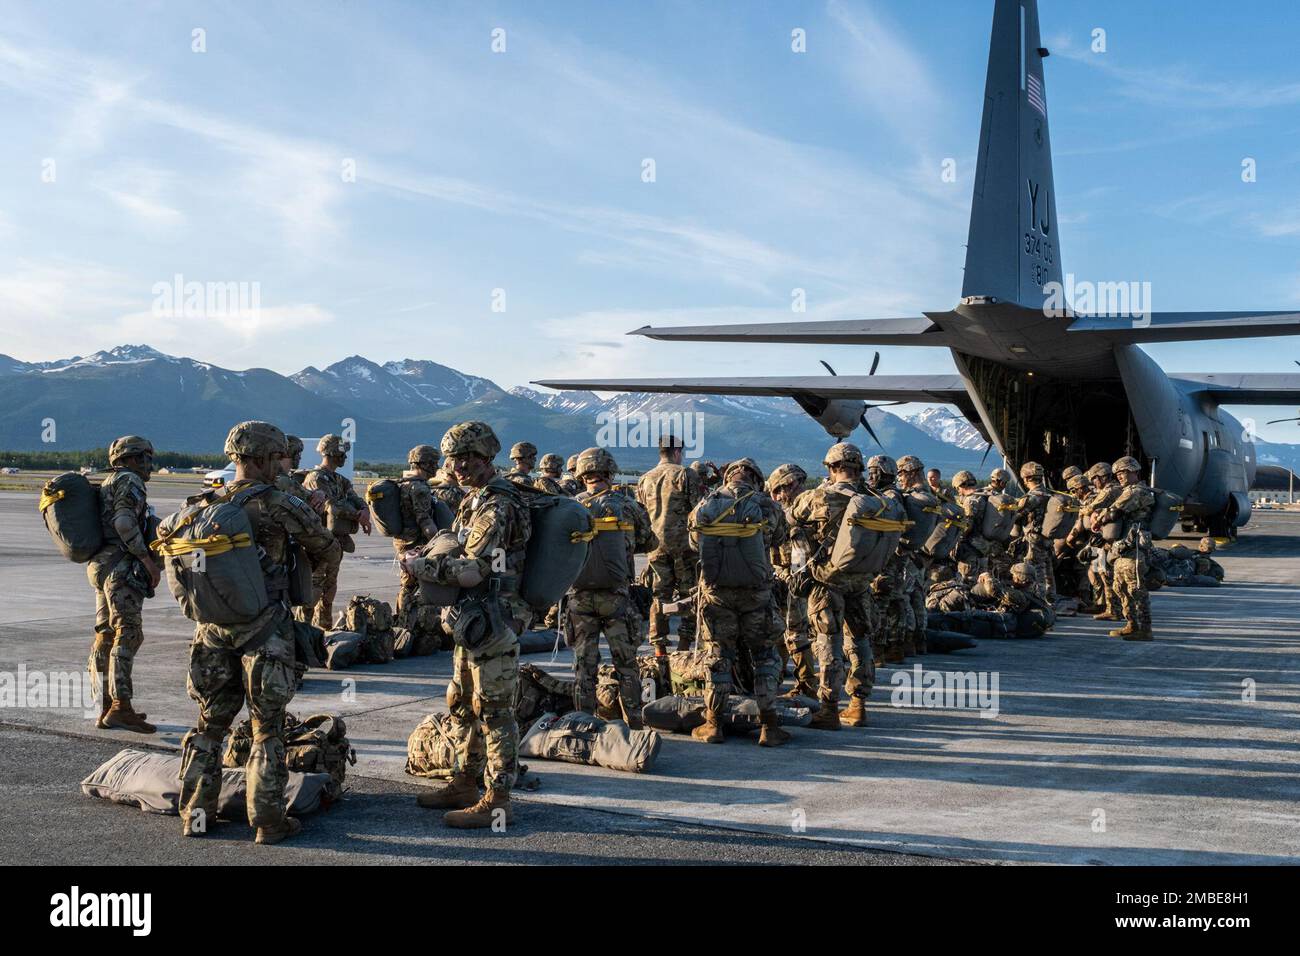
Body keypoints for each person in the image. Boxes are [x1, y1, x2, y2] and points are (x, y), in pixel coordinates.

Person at [178, 421, 340, 844]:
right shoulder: (277, 503)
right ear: (266, 458)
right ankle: (268, 821)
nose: (282, 464)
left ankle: (195, 813)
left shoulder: (202, 502)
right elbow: (327, 545)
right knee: (267, 726)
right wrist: (313, 584)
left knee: (209, 723)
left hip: (211, 629)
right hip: (265, 628)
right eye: (278, 457)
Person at [404, 422, 531, 827]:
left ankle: (498, 799)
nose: (455, 466)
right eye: (452, 458)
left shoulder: (498, 504)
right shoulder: (474, 499)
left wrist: (420, 566)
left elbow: (475, 569)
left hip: (496, 617)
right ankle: (464, 780)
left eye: (464, 457)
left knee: (494, 711)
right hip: (473, 618)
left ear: (485, 458)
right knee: (461, 702)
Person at [688, 458, 789, 745]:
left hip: (717, 593)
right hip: (757, 594)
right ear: (757, 479)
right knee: (765, 656)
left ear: (728, 477)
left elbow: (695, 543)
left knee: (719, 657)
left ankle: (713, 725)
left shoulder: (706, 503)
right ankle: (769, 727)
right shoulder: (768, 505)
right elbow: (780, 537)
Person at [567, 447, 656, 727]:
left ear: (582, 475)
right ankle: (634, 724)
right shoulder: (627, 505)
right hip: (616, 596)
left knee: (584, 667)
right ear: (609, 472)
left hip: (579, 597)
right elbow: (649, 542)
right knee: (626, 665)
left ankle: (584, 724)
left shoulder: (571, 507)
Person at [790, 442, 876, 729]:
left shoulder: (819, 496)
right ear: (859, 468)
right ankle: (859, 704)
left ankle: (828, 708)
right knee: (860, 640)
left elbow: (789, 517)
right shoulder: (875, 499)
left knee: (829, 641)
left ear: (831, 467)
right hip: (862, 581)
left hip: (827, 580)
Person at [86, 435, 160, 734]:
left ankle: (104, 704)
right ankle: (120, 707)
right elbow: (124, 523)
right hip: (121, 567)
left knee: (105, 634)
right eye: (144, 457)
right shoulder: (129, 481)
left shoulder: (109, 482)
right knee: (128, 634)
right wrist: (148, 561)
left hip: (101, 564)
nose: (149, 464)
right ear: (129, 459)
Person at [636, 433, 704, 654]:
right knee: (689, 595)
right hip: (685, 547)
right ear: (677, 452)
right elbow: (698, 511)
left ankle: (659, 651)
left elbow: (641, 515)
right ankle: (684, 648)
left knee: (659, 596)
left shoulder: (644, 479)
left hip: (655, 547)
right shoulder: (685, 474)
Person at [302, 435, 371, 629]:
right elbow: (331, 505)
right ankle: (302, 628)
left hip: (335, 542)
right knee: (314, 587)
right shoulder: (316, 478)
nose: (344, 458)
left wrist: (364, 510)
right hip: (318, 542)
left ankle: (324, 628)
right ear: (331, 453)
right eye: (341, 454)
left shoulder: (339, 480)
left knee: (329, 588)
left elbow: (354, 497)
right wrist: (358, 515)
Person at [767, 462, 817, 698]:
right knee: (782, 631)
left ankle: (806, 687)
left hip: (797, 579)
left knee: (795, 632)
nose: (776, 496)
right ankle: (777, 677)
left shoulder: (799, 509)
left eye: (779, 490)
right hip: (791, 576)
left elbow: (800, 550)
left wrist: (793, 577)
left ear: (791, 484)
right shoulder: (811, 503)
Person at [1096, 456, 1155, 641]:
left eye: (1124, 472)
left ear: (1135, 472)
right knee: (1119, 586)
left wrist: (1098, 518)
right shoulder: (1127, 490)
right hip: (1123, 546)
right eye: (1118, 473)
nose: (1120, 476)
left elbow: (1114, 511)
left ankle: (1145, 628)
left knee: (1135, 588)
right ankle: (1131, 623)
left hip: (1134, 546)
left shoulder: (1136, 492)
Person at [391, 445, 443, 636]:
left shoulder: (405, 483)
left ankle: (406, 623)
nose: (437, 467)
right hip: (415, 544)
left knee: (408, 583)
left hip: (404, 541)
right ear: (425, 464)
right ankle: (406, 627)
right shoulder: (419, 488)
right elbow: (424, 519)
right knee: (410, 584)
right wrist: (438, 541)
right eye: (434, 463)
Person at [1013, 461, 1057, 602]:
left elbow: (1016, 516)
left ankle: (1040, 600)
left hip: (1033, 538)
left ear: (1025, 478)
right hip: (1048, 537)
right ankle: (1051, 599)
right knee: (1048, 569)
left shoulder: (1031, 497)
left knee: (1035, 570)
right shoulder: (1050, 494)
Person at [952, 470, 990, 583]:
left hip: (971, 549)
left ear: (961, 485)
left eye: (957, 488)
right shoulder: (985, 496)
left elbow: (967, 525)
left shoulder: (971, 500)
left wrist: (957, 537)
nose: (958, 492)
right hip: (984, 547)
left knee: (968, 582)